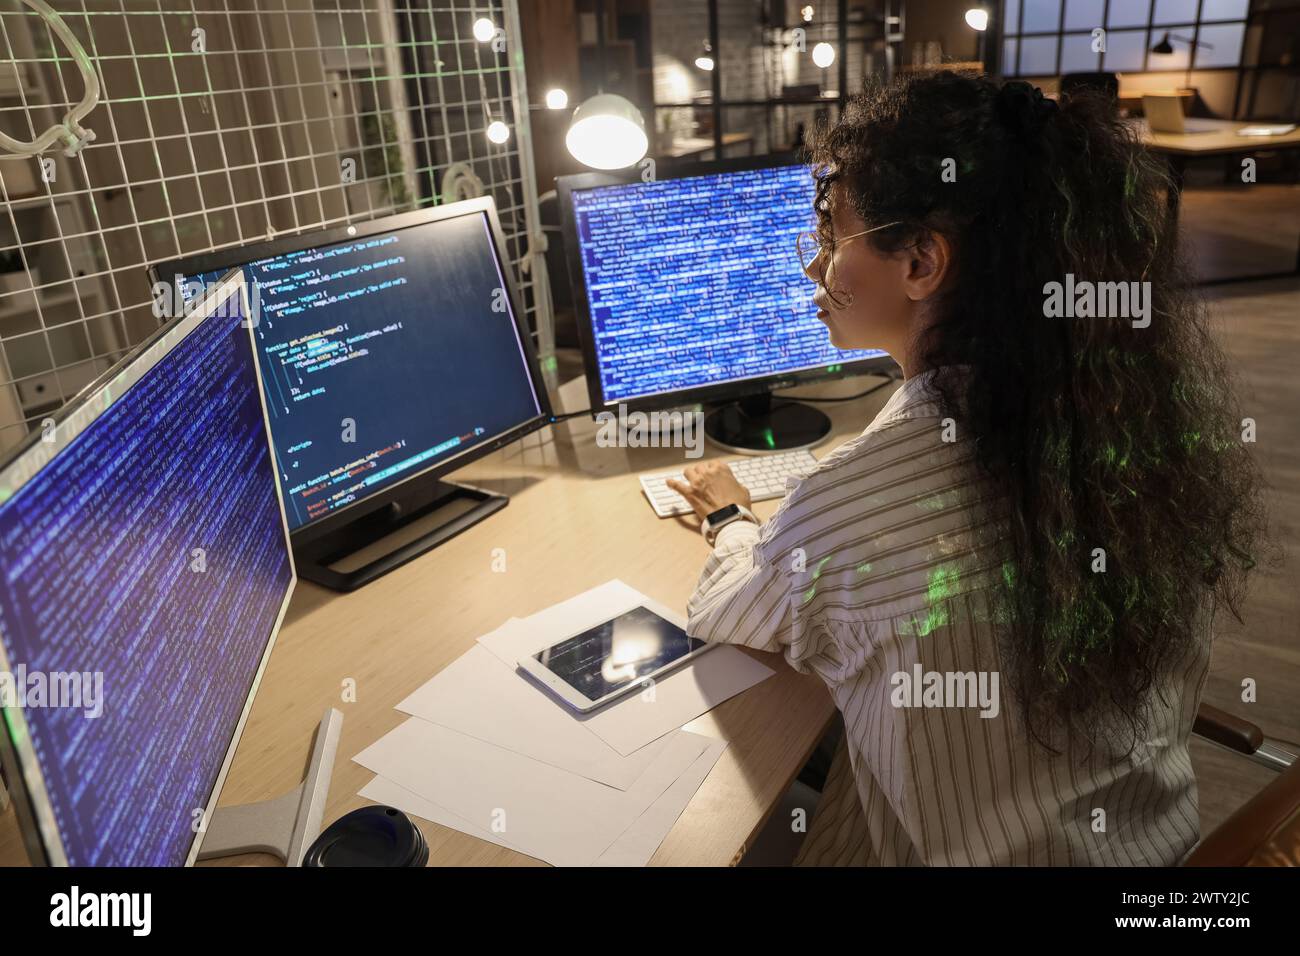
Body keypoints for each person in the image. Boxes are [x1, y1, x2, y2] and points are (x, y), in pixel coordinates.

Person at [666, 72, 1265, 866]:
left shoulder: (851, 510)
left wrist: (730, 517)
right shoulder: (1134, 435)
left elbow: (726, 609)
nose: (814, 269)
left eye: (829, 239)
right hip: (1156, 850)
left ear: (920, 261)